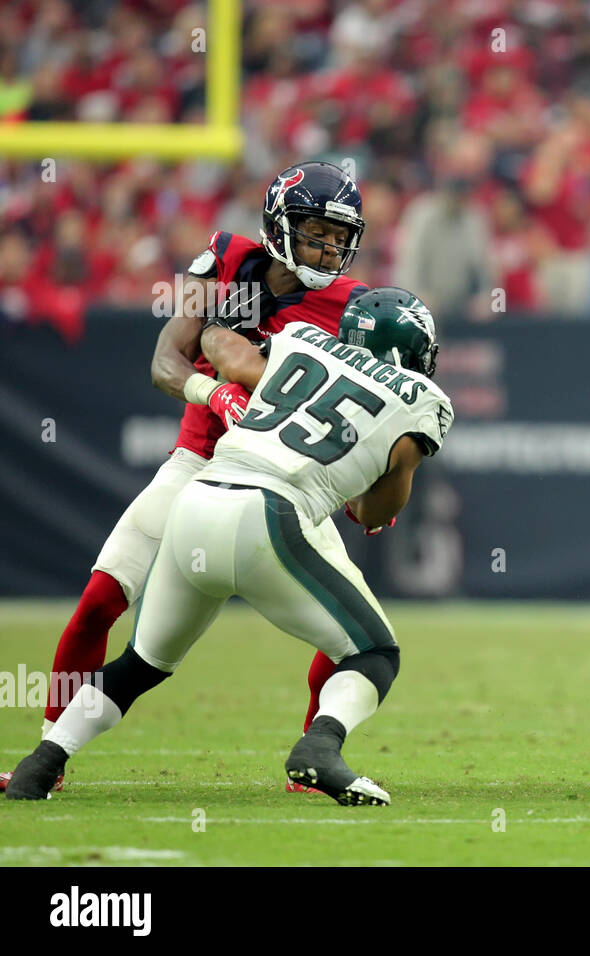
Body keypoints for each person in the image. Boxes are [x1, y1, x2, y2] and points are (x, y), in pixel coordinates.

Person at [0, 161, 369, 796]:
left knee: (354, 634)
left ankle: (310, 763)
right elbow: (165, 360)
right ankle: (49, 757)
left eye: (341, 237)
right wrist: (214, 394)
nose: (330, 248)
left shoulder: (352, 303)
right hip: (200, 462)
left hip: (287, 480)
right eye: (316, 231)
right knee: (99, 602)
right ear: (280, 226)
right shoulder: (227, 258)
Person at [7, 288, 452, 806]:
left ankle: (38, 766)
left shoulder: (303, 339)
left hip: (198, 499)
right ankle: (321, 746)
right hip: (270, 515)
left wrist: (217, 377)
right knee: (375, 652)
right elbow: (375, 512)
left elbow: (221, 344)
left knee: (141, 665)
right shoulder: (422, 399)